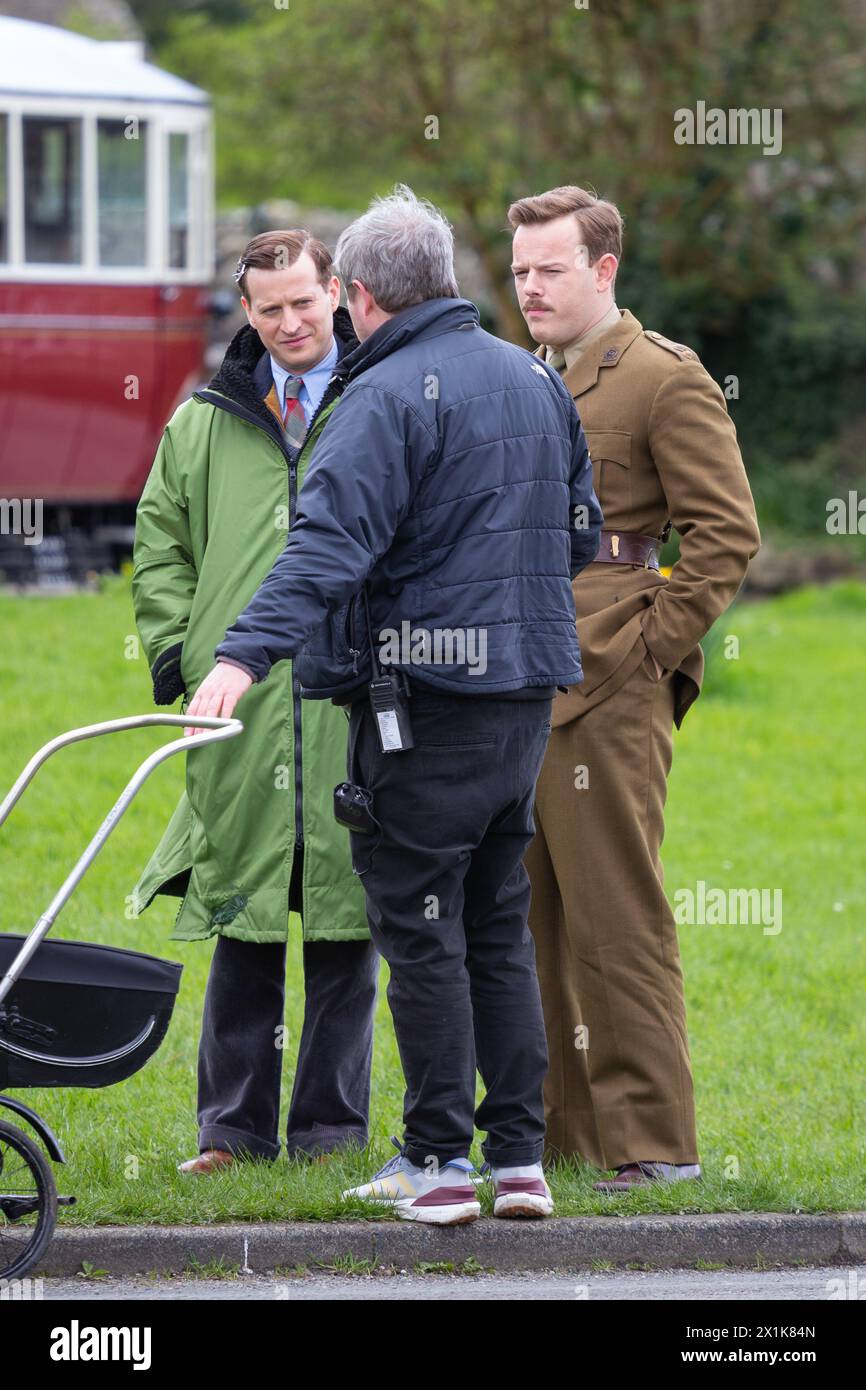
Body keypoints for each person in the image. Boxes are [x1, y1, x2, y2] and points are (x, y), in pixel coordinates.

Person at [183, 185, 603, 1225]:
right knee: (493, 923)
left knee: (419, 930)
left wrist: (238, 654)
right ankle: (516, 1160)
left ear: (358, 295)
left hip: (416, 706)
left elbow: (324, 550)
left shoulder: (373, 398)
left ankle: (436, 1164)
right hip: (522, 703)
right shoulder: (533, 380)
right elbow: (581, 537)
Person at [508, 184, 761, 1190]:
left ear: (602, 270)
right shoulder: (525, 376)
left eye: (548, 268)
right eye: (519, 269)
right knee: (529, 915)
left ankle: (652, 1143)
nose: (528, 286)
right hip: (518, 673)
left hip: (608, 679)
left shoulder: (660, 377)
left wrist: (648, 653)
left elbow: (724, 532)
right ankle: (562, 1140)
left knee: (616, 913)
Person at [130, 229, 379, 1174]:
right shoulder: (201, 422)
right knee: (242, 911)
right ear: (247, 310)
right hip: (232, 707)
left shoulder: (378, 404)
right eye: (268, 308)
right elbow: (160, 545)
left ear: (339, 296)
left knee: (347, 920)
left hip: (348, 697)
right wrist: (176, 657)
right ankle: (230, 1134)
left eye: (304, 303)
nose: (288, 323)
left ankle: (329, 1136)